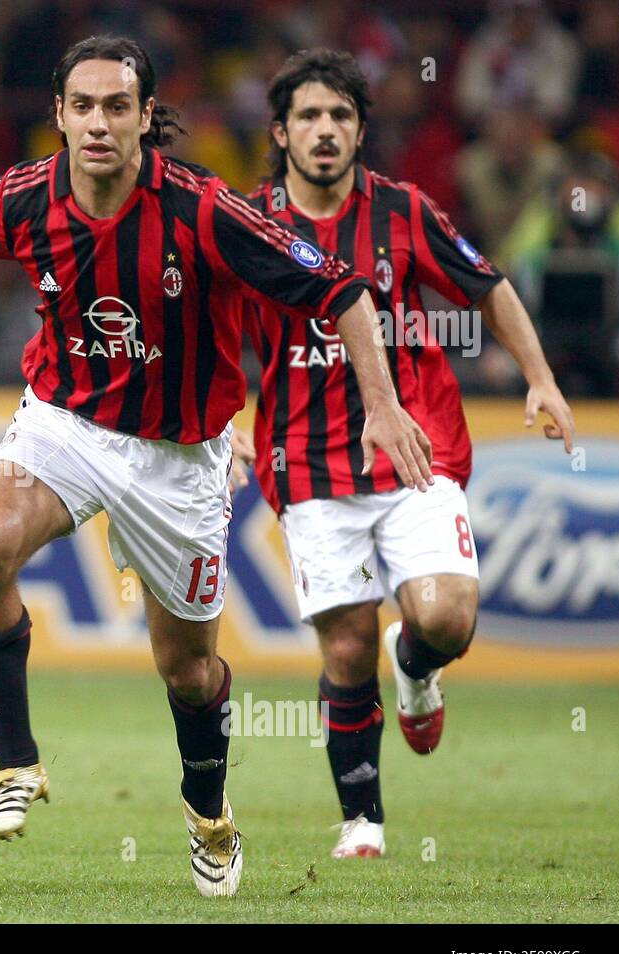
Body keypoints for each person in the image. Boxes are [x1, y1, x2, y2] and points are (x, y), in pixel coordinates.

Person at [0, 36, 431, 897]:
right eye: (82, 107)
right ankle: (16, 766)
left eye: (116, 107)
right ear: (59, 115)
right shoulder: (27, 197)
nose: (98, 123)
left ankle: (208, 810)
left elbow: (344, 290)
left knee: (187, 670)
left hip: (179, 458)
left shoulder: (204, 210)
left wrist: (382, 405)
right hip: (66, 422)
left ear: (146, 118)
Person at [240, 49, 576, 859]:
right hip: (306, 462)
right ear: (281, 131)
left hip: (416, 448)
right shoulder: (245, 222)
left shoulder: (403, 212)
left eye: (342, 117)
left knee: (445, 616)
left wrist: (541, 379)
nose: (326, 131)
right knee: (347, 645)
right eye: (310, 117)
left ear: (361, 130)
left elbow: (487, 287)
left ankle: (418, 666)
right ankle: (363, 819)